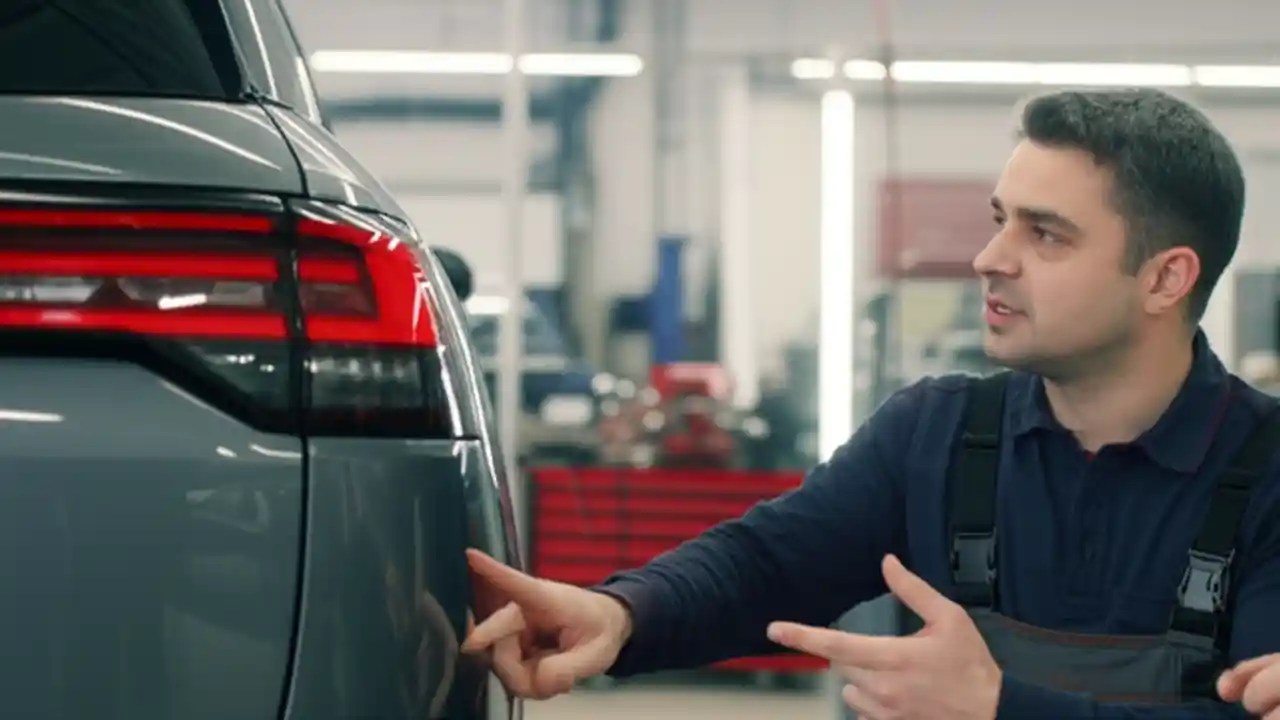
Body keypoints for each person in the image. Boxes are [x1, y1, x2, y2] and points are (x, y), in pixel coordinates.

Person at [463, 87, 1280, 719]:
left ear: (1166, 278)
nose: (990, 258)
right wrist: (619, 613)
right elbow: (767, 564)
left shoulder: (1269, 475)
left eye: (1047, 235)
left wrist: (1000, 707)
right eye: (1001, 221)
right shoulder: (939, 433)